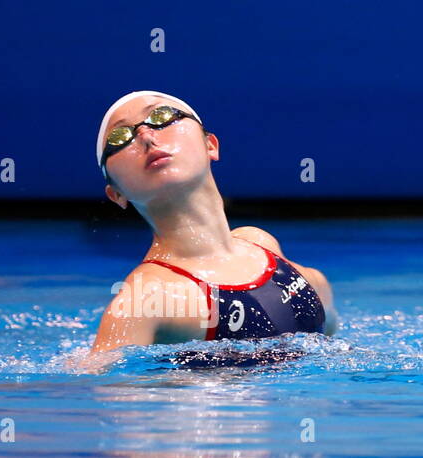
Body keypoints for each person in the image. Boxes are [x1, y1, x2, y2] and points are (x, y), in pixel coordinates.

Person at [83, 91, 336, 363]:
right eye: (120, 138)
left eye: (162, 116)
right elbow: (95, 388)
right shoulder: (146, 298)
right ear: (116, 194)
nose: (146, 136)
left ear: (210, 145)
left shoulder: (263, 246)